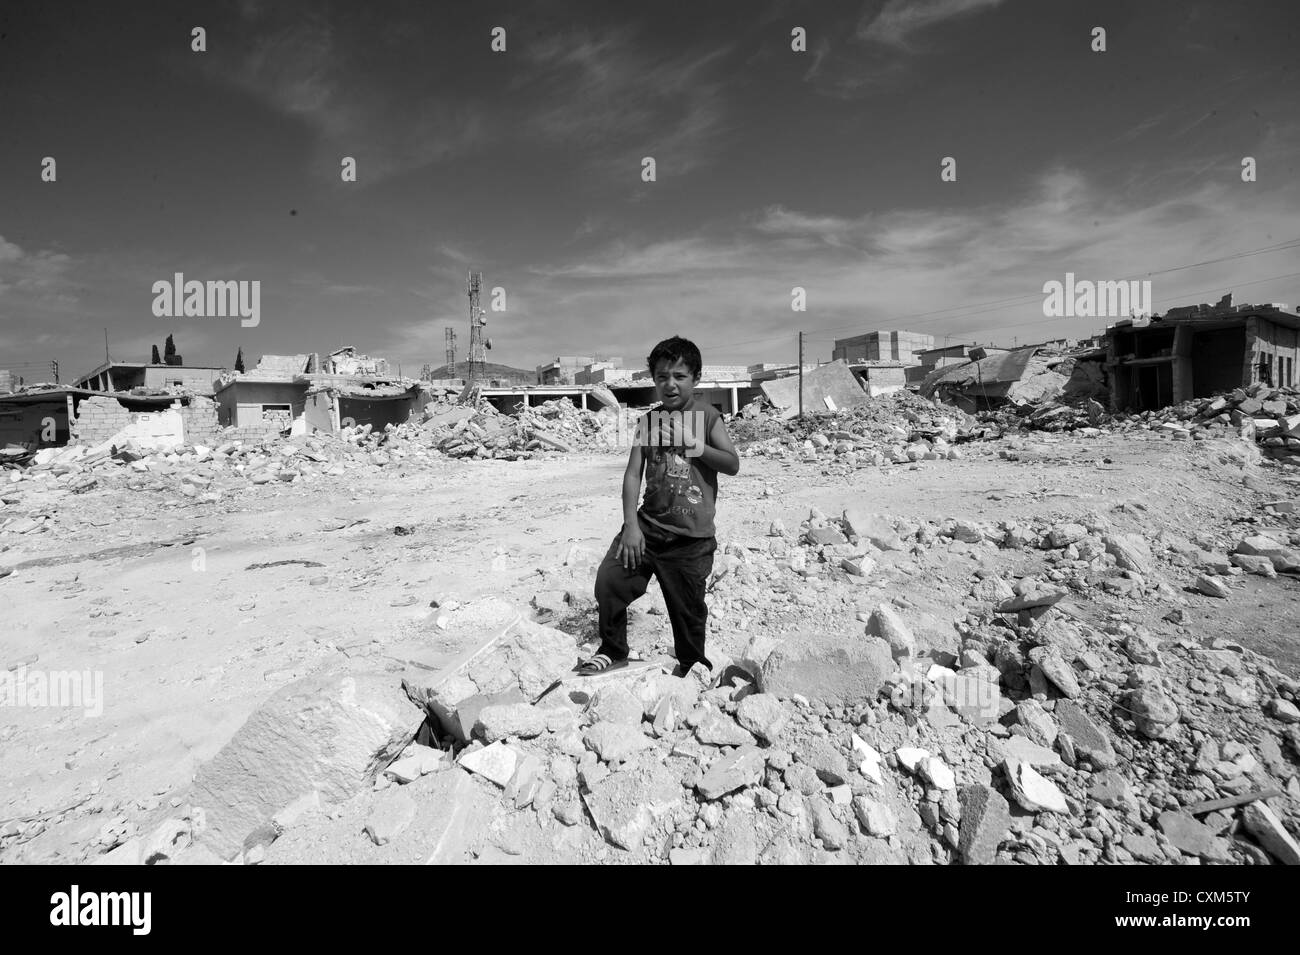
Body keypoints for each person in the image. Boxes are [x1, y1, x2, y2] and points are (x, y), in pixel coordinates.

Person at [578, 336, 740, 678]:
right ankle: (613, 650)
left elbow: (731, 463)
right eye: (662, 376)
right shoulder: (647, 423)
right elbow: (633, 474)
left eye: (679, 376)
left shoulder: (709, 418)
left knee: (688, 610)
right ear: (654, 379)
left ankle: (692, 667)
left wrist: (693, 444)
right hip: (648, 527)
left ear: (695, 379)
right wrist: (631, 526)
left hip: (691, 538)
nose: (670, 384)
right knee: (610, 580)